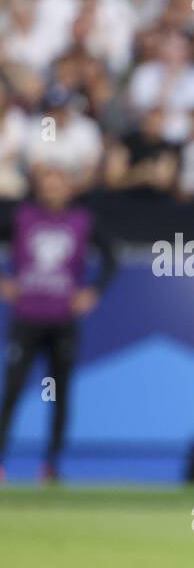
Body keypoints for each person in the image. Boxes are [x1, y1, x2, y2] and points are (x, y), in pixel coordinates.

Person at [0, 163, 118, 483]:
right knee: (11, 390)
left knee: (59, 394)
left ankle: (51, 465)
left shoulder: (82, 221)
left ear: (69, 188)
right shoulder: (22, 217)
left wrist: (93, 291)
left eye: (58, 182)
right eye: (47, 183)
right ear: (39, 187)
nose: (53, 189)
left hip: (62, 321)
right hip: (27, 319)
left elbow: (111, 258)